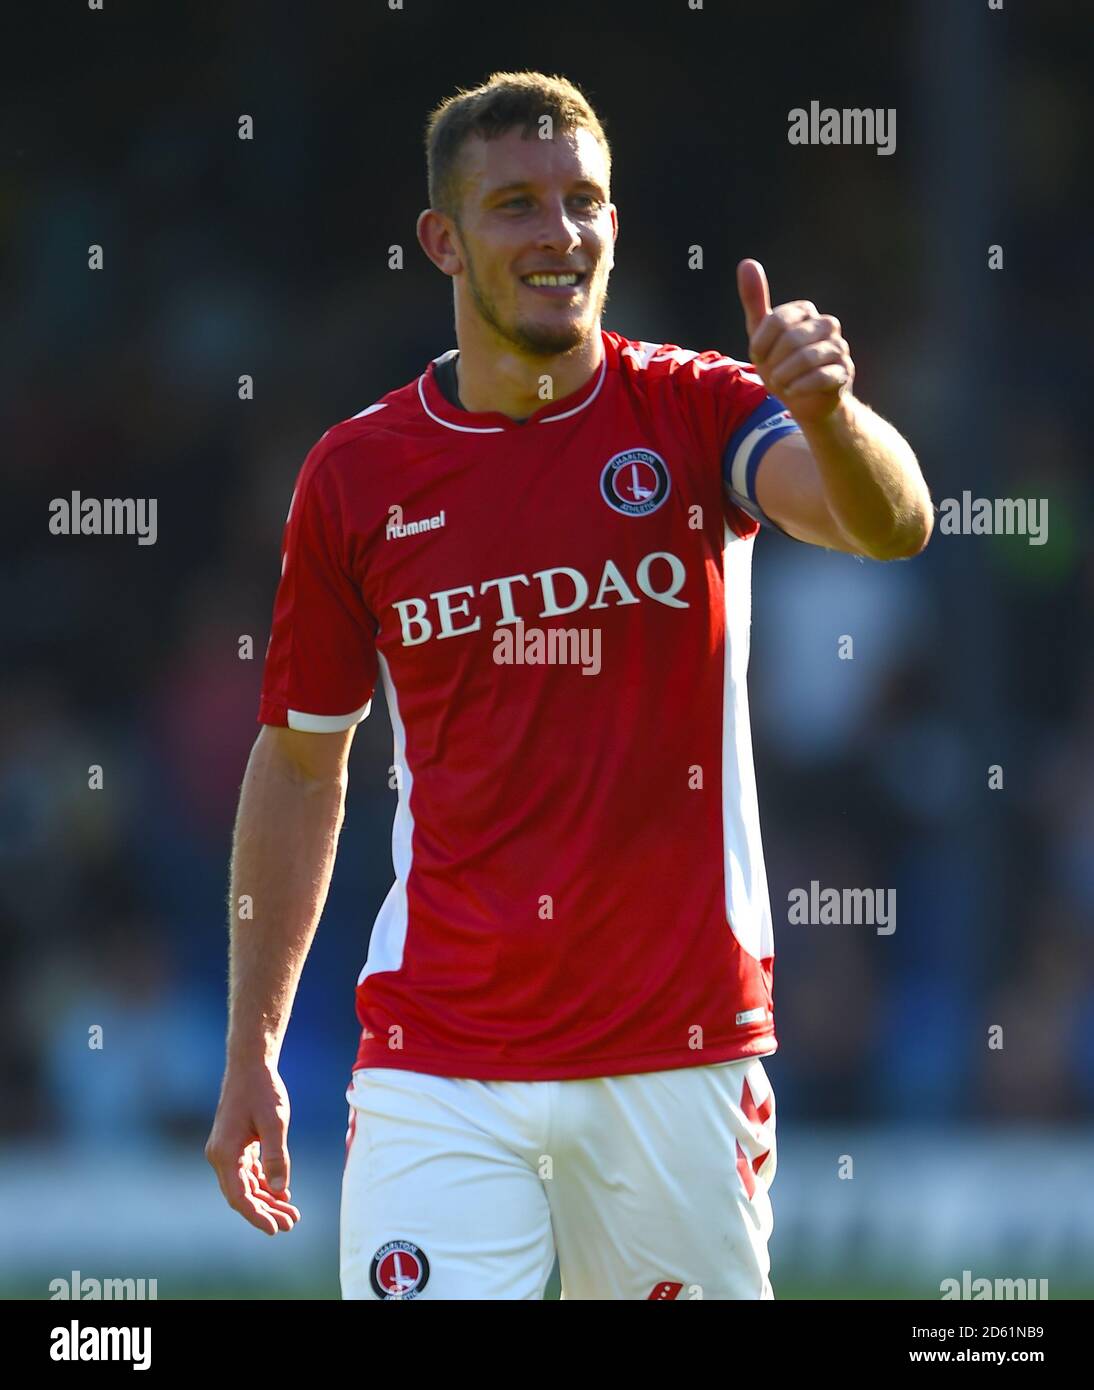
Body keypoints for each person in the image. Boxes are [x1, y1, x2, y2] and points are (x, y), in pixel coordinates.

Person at [205, 70, 933, 1300]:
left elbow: (891, 522)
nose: (560, 234)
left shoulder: (696, 412)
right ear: (442, 238)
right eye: (516, 206)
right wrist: (251, 1051)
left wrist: (831, 409)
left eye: (583, 201)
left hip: (678, 1050)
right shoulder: (356, 477)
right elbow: (300, 760)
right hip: (437, 1059)